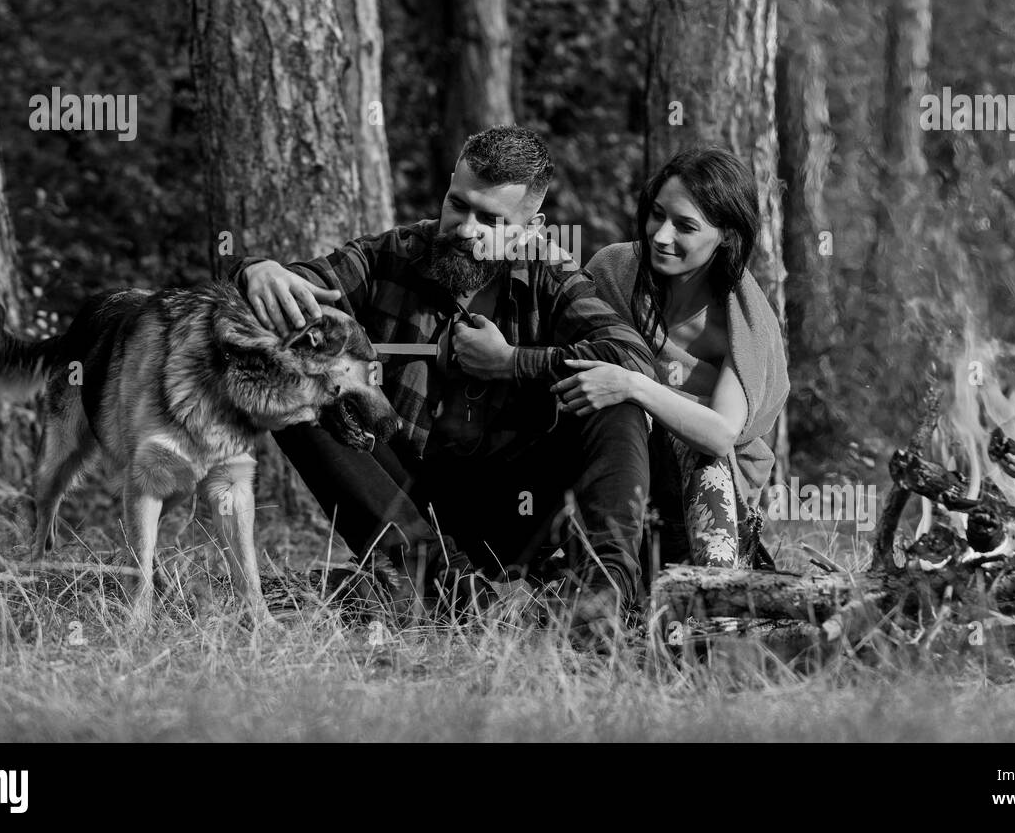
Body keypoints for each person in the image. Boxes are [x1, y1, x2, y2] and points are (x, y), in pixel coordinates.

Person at [229, 126, 658, 636]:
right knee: (298, 388)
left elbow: (632, 359)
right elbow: (304, 289)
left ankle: (601, 599)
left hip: (520, 513)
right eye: (458, 205)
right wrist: (256, 271)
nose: (466, 228)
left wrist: (511, 361)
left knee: (618, 398)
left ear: (530, 228)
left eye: (491, 220)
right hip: (413, 510)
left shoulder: (552, 275)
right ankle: (447, 594)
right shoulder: (396, 253)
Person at [552, 147, 789, 572]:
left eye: (685, 226)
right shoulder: (612, 272)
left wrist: (633, 385)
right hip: (611, 471)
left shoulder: (743, 321)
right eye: (657, 215)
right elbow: (570, 361)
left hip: (701, 496)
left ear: (727, 237)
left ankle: (717, 596)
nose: (661, 235)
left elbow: (719, 434)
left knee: (699, 445)